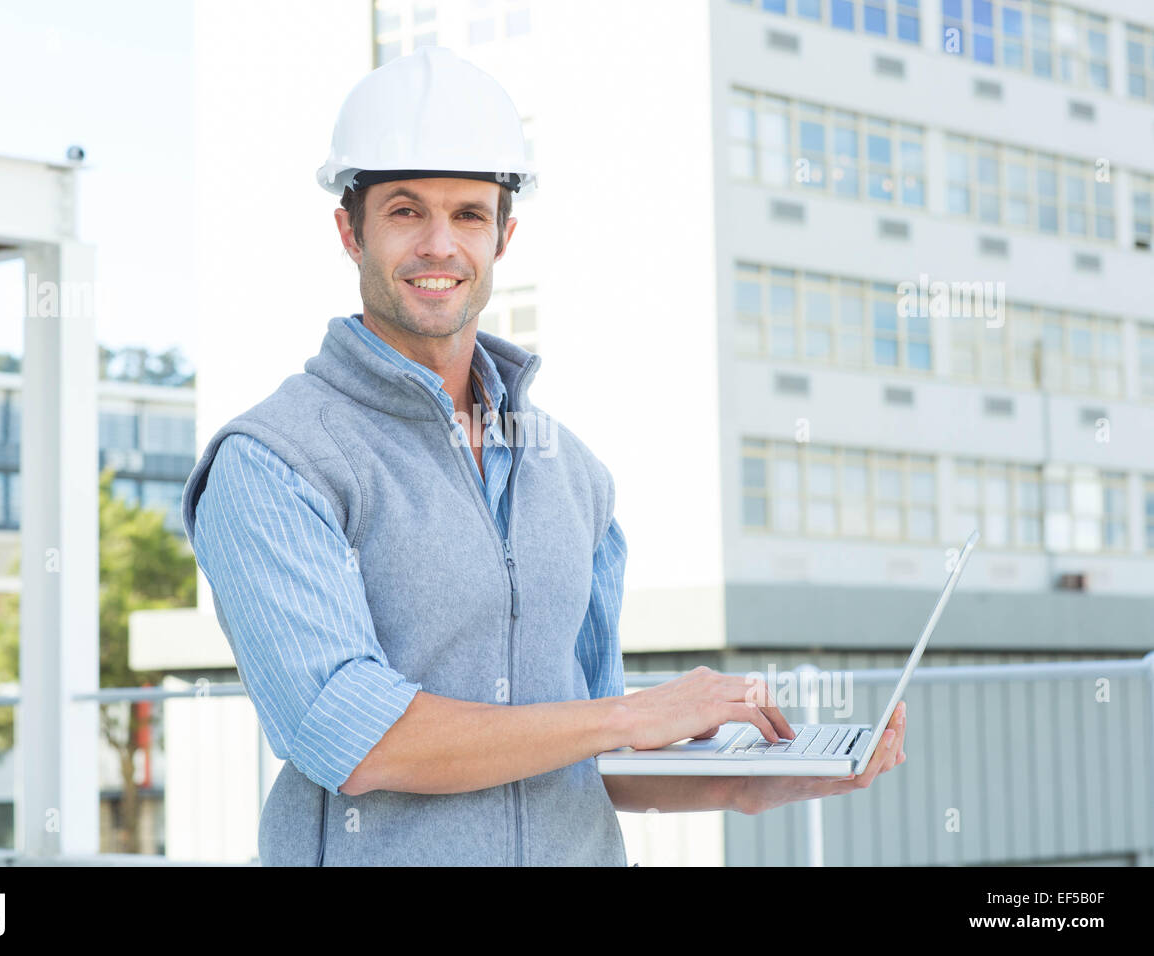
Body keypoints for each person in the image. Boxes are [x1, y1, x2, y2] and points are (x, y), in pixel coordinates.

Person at [180, 46, 907, 867]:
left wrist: (748, 783)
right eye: (405, 211)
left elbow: (585, 748)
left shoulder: (572, 471)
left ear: (504, 234)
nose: (438, 246)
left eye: (467, 215)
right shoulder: (274, 462)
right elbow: (357, 739)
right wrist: (637, 713)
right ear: (350, 230)